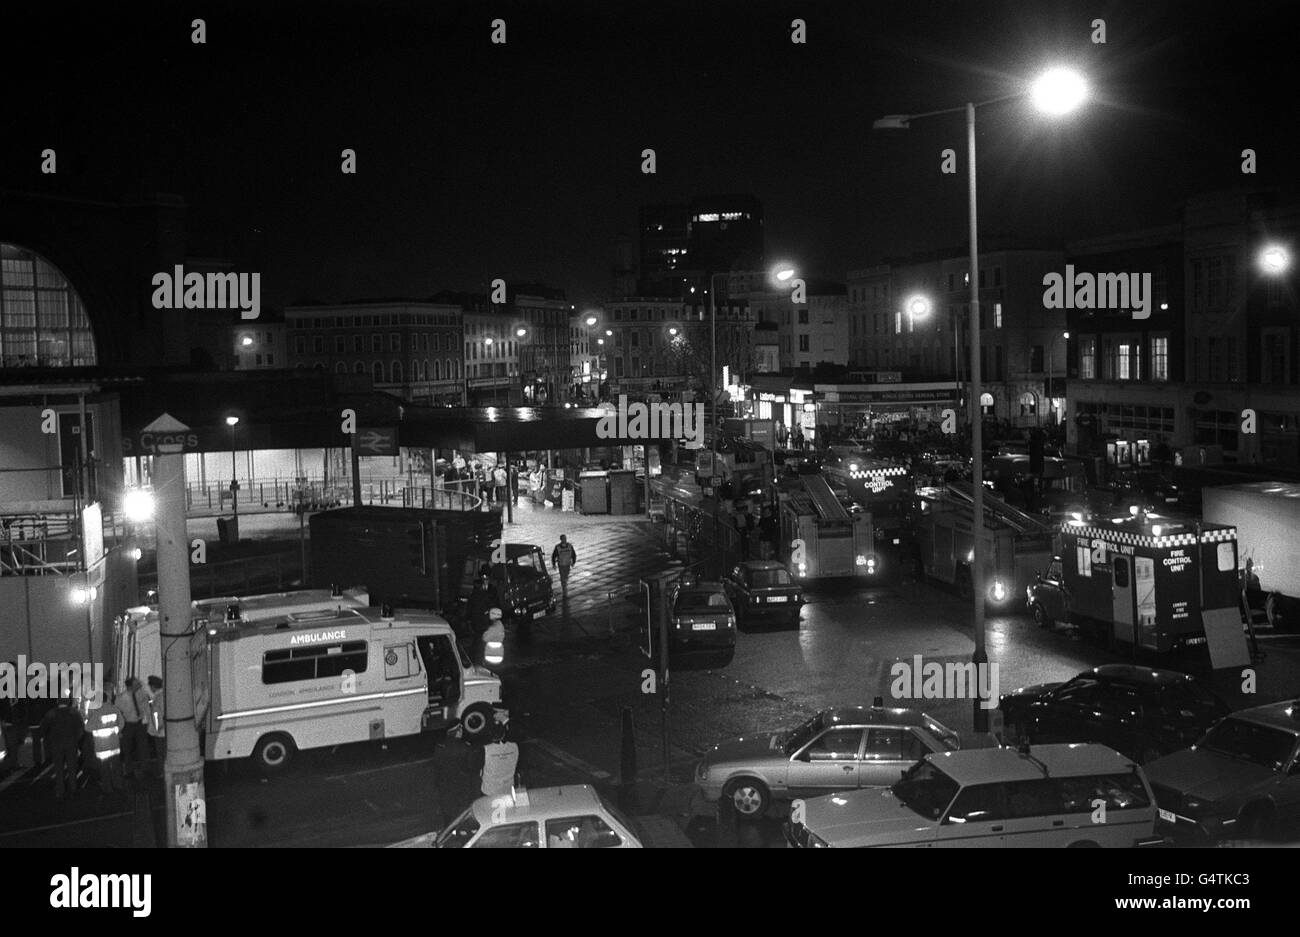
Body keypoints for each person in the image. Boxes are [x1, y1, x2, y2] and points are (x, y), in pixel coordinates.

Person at [38, 693, 84, 799]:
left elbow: (43, 728)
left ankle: (60, 790)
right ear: (68, 702)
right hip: (71, 744)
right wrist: (76, 740)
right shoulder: (74, 712)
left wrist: (48, 739)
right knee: (72, 767)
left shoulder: (51, 713)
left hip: (56, 744)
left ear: (57, 702)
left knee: (59, 768)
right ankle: (73, 789)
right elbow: (81, 728)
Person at [81, 688, 124, 796]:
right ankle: (118, 785)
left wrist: (87, 720)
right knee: (116, 766)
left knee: (104, 768)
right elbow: (122, 723)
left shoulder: (97, 712)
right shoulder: (115, 709)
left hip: (102, 747)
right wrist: (115, 731)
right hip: (114, 745)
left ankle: (107, 788)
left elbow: (88, 728)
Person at [117, 677, 152, 778]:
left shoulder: (142, 694)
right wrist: (120, 728)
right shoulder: (121, 698)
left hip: (140, 723)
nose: (139, 684)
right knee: (127, 748)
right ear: (130, 685)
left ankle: (146, 768)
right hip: (127, 724)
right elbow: (118, 713)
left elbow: (147, 709)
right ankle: (129, 770)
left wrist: (148, 722)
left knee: (143, 747)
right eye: (136, 683)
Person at [478, 712, 518, 798]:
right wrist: (504, 719)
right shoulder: (514, 746)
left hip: (489, 792)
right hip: (508, 791)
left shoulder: (485, 749)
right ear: (504, 733)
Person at [146, 675, 165, 761]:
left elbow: (158, 714)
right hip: (162, 731)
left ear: (153, 687)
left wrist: (158, 727)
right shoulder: (161, 695)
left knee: (161, 754)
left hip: (161, 732)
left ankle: (163, 773)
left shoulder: (159, 697)